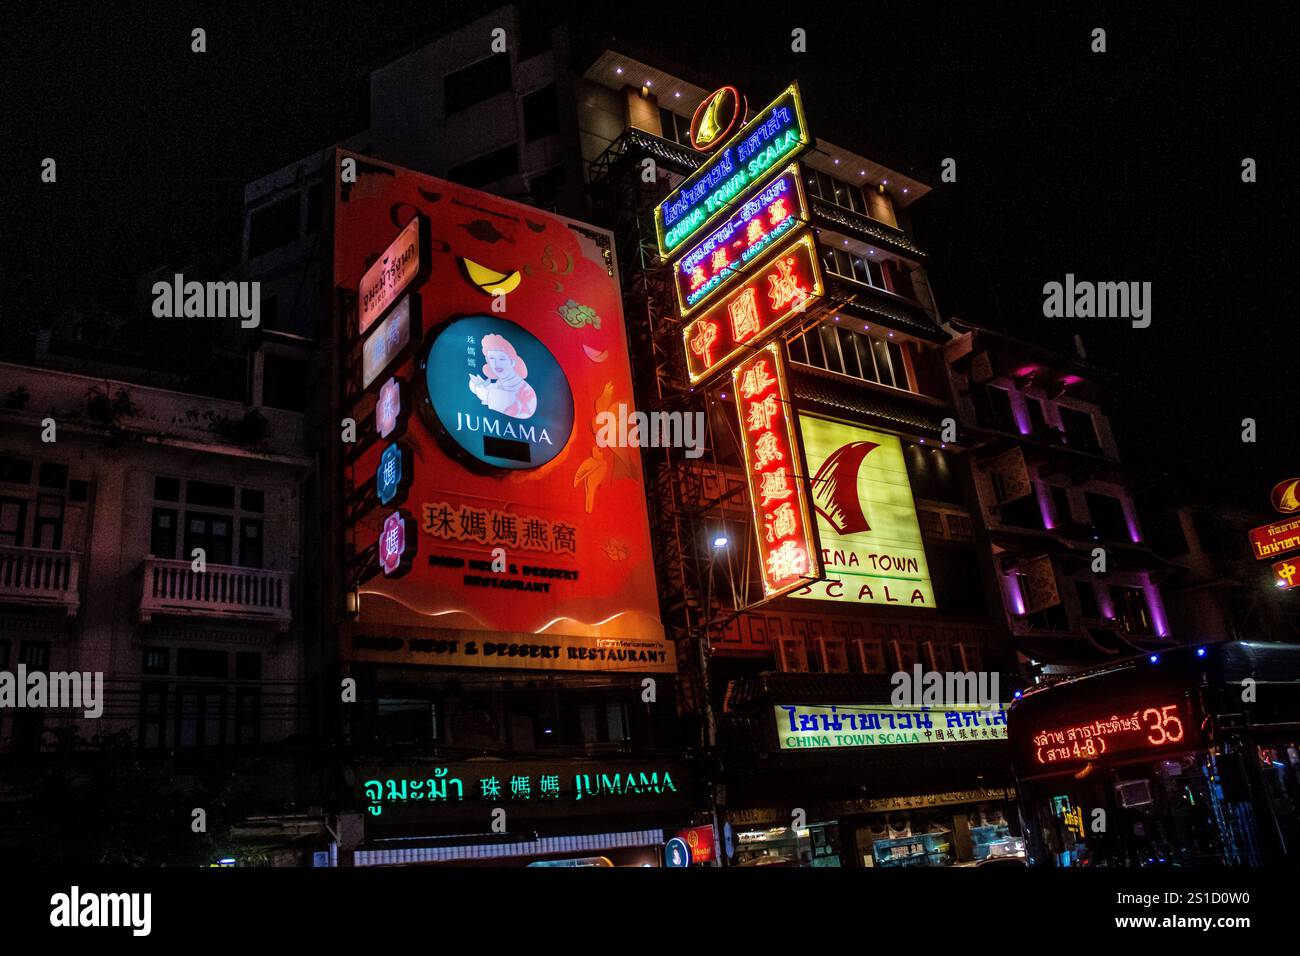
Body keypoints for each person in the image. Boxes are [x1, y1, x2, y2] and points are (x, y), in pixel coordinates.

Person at [468, 333, 537, 419]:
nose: (496, 364)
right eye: (492, 358)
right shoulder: (497, 385)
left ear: (512, 362)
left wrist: (487, 395)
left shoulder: (527, 390)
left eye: (502, 359)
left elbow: (525, 410)